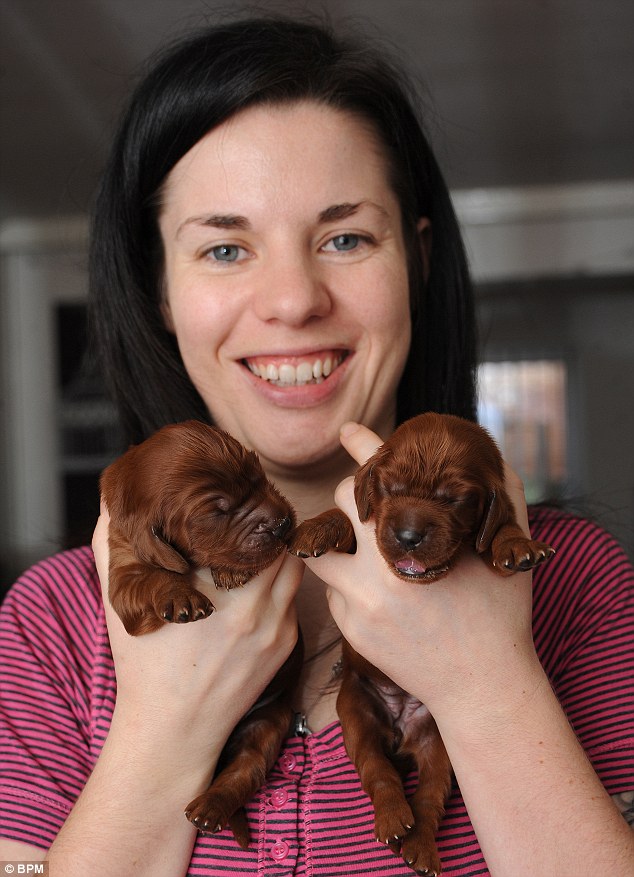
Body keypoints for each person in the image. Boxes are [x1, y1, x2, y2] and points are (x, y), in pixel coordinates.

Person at [0, 15, 632, 877]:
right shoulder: (49, 631)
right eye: (225, 248)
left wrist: (489, 686)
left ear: (414, 259)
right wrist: (162, 734)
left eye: (344, 238)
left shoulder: (578, 587)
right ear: (159, 291)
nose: (293, 300)